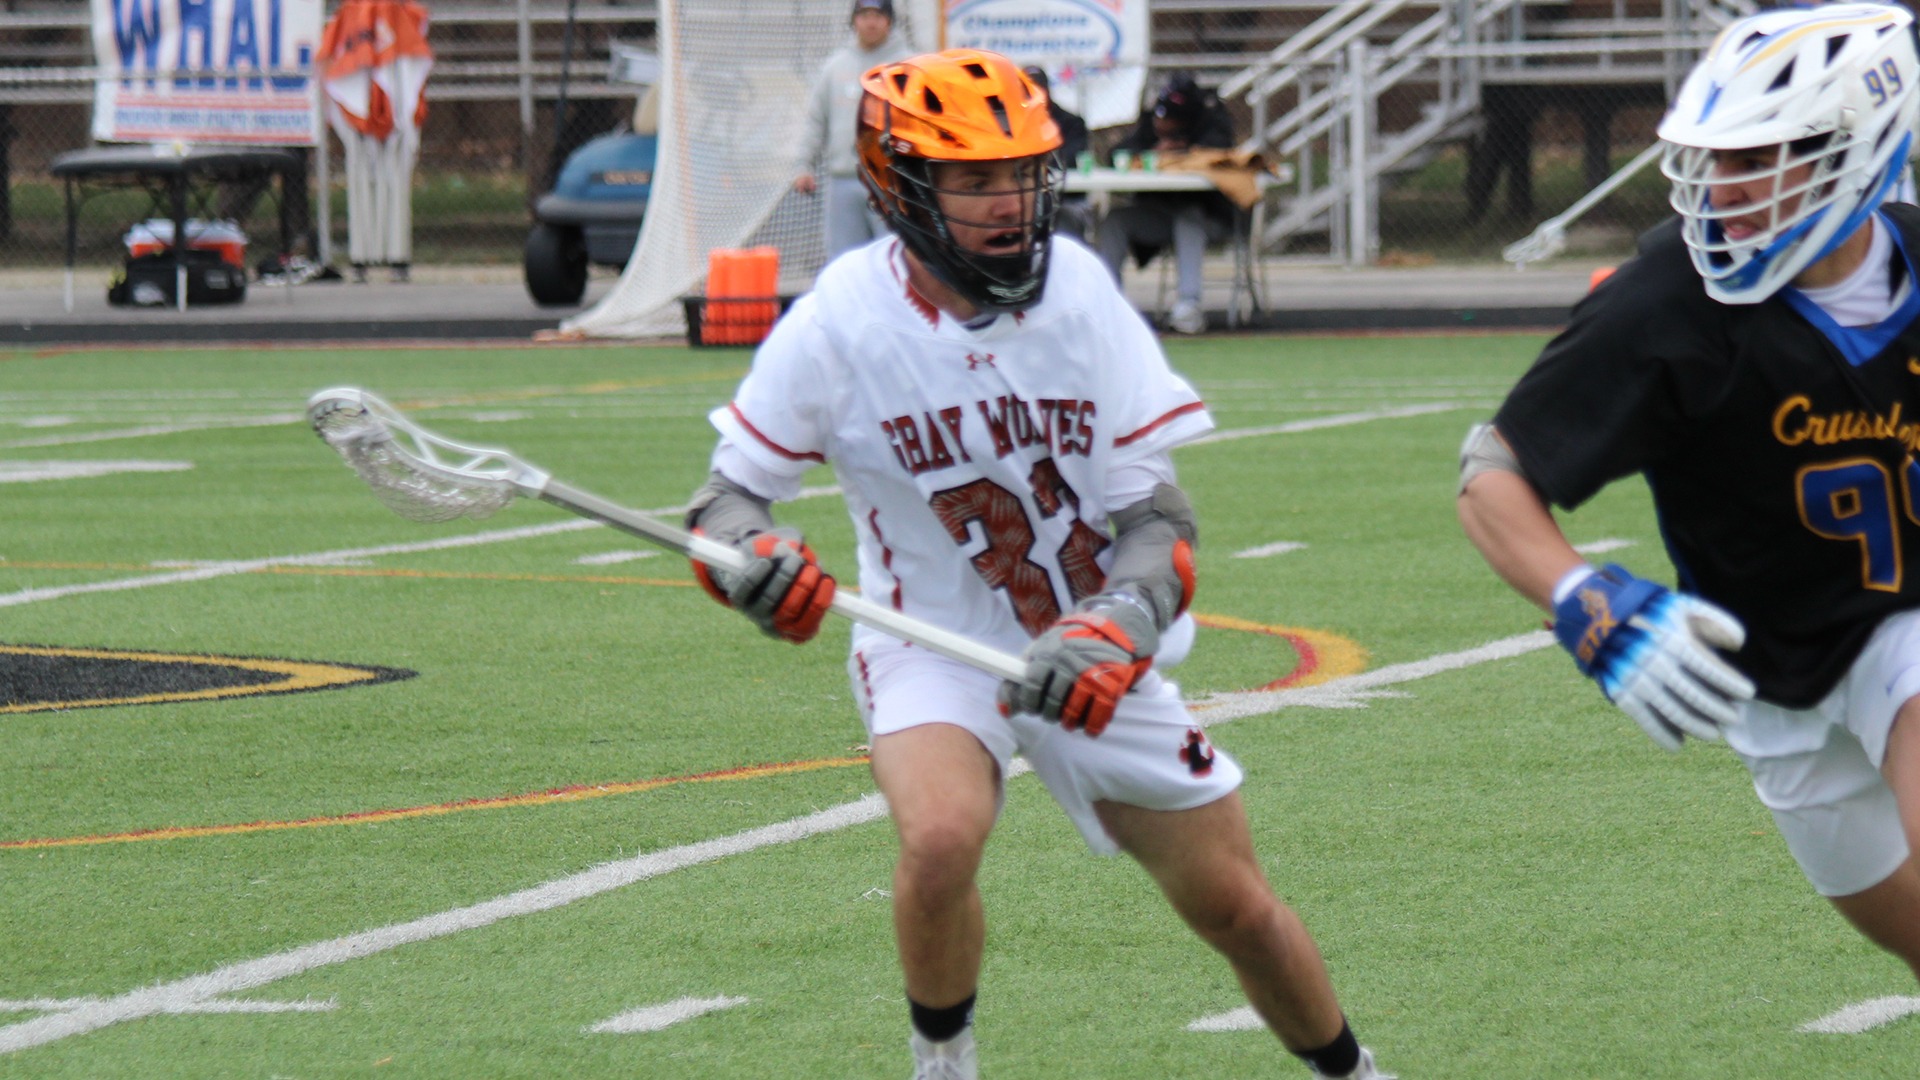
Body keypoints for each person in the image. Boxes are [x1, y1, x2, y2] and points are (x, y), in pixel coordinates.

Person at [686, 48, 1390, 1080]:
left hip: (1094, 645)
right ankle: (944, 1064)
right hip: (933, 642)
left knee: (1235, 906)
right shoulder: (841, 317)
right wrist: (753, 563)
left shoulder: (1081, 293)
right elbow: (724, 501)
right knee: (940, 837)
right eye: (974, 179)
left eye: (1021, 172)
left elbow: (1157, 518)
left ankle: (1354, 1073)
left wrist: (1119, 622)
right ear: (898, 185)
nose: (1010, 201)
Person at [1458, 3, 1920, 990]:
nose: (1723, 188)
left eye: (1756, 159)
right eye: (1714, 159)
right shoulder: (1668, 300)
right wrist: (1581, 597)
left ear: (1859, 144)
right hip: (1768, 674)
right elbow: (1492, 473)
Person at [1094, 72, 1238, 335]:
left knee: (1188, 219)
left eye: (1170, 119)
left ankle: (1188, 307)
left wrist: (1181, 153)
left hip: (1209, 217)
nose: (1162, 124)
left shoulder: (1211, 120)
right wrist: (1154, 152)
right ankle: (1107, 305)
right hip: (1160, 214)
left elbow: (1219, 152)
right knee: (1115, 220)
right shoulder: (1152, 125)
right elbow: (1118, 155)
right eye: (1160, 117)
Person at [795, 0, 913, 262]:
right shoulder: (834, 67)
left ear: (890, 21)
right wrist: (803, 166)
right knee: (843, 260)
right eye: (864, 15)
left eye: (878, 16)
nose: (871, 22)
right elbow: (815, 121)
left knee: (893, 259)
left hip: (892, 182)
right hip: (844, 180)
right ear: (853, 21)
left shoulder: (908, 67)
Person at [1021, 65, 1092, 242]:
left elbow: (1069, 158)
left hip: (1067, 199)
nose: (1032, 97)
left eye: (1037, 91)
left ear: (1047, 92)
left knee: (1062, 217)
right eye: (1026, 92)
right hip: (1026, 201)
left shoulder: (1071, 122)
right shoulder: (1014, 124)